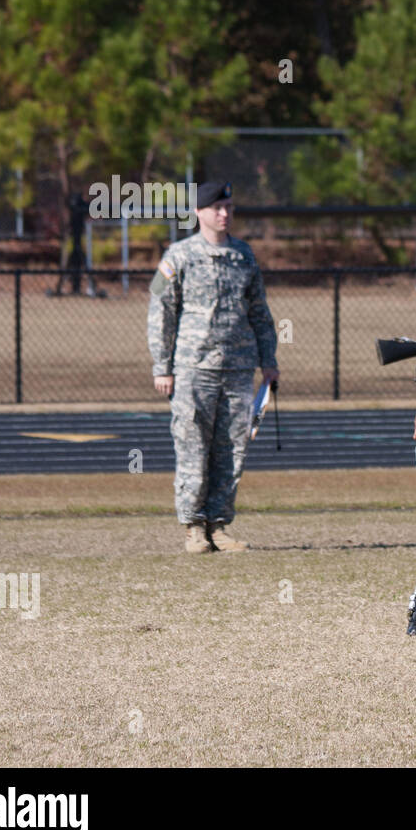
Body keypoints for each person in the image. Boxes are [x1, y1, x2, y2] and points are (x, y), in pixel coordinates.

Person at [147, 180, 279, 554]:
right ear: (198, 213)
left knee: (232, 448)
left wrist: (269, 361)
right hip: (192, 368)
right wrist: (162, 365)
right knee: (192, 447)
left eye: (229, 208)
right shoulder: (177, 256)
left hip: (237, 369)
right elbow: (160, 311)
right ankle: (193, 527)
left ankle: (219, 525)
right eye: (217, 208)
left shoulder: (244, 256)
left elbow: (260, 313)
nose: (225, 214)